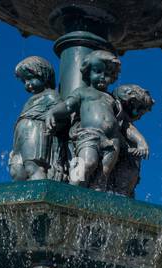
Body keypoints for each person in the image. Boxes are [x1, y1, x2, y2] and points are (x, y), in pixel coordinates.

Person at [49, 50, 123, 189]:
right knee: (87, 163)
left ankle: (94, 197)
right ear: (88, 72)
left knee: (104, 173)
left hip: (113, 140)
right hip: (90, 134)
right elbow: (67, 105)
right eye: (98, 72)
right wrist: (53, 112)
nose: (102, 77)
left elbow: (120, 120)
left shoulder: (111, 98)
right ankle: (71, 189)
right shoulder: (83, 92)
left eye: (107, 74)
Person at [8, 56, 63, 181]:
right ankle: (22, 199)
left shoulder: (50, 95)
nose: (27, 85)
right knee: (16, 171)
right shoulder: (30, 100)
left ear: (43, 75)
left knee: (33, 167)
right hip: (21, 138)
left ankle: (41, 195)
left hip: (35, 133)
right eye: (24, 81)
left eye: (30, 79)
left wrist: (54, 120)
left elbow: (61, 113)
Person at [109, 84, 154, 197]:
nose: (138, 117)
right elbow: (126, 126)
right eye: (137, 111)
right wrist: (141, 142)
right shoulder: (115, 113)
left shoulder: (123, 122)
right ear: (130, 102)